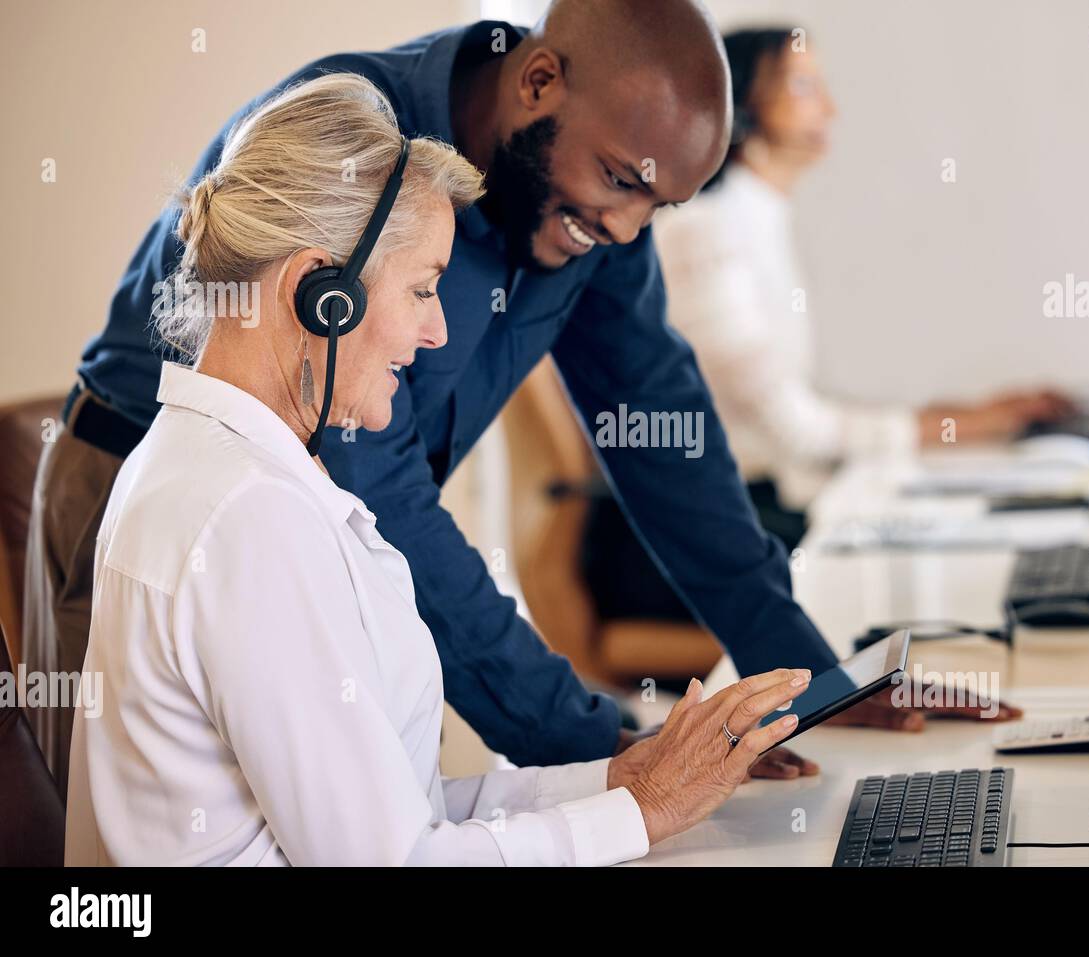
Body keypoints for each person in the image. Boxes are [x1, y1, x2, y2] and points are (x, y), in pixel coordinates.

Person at [28, 1, 1006, 797]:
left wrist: (807, 675)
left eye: (654, 210)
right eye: (619, 183)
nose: (624, 230)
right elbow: (383, 494)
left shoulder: (596, 200)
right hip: (145, 504)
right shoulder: (361, 147)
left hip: (317, 526)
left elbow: (657, 421)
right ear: (538, 83)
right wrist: (602, 748)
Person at [64, 74, 810, 866]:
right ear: (321, 295)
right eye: (422, 288)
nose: (437, 330)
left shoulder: (222, 470)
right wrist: (647, 809)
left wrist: (622, 778)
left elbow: (397, 812)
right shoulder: (247, 516)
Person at [583, 27, 1069, 638]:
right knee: (916, 598)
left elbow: (794, 413)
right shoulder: (704, 231)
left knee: (943, 581)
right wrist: (964, 426)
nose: (831, 107)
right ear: (743, 104)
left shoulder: (755, 218)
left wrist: (960, 417)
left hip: (750, 513)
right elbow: (796, 429)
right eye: (804, 86)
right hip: (687, 542)